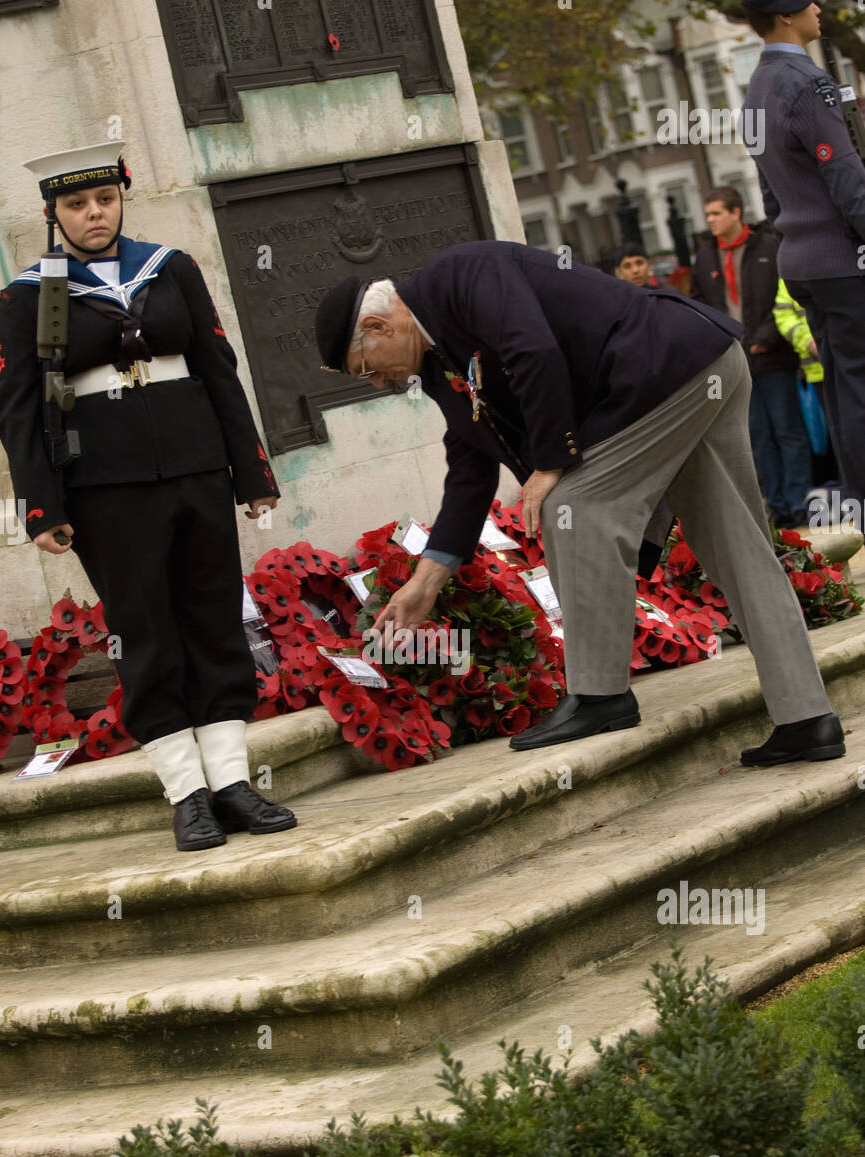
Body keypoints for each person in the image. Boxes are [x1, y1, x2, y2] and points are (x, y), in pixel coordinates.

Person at [315, 240, 844, 765]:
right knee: (738, 551)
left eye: (367, 369)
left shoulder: (458, 273)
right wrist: (425, 581)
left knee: (571, 505)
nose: (380, 382)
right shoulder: (437, 363)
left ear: (381, 327)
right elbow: (471, 469)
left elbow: (532, 350)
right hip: (693, 369)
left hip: (668, 367)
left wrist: (549, 465)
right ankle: (807, 718)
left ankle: (600, 694)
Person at [0, 142, 297, 851]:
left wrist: (252, 475)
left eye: (104, 199)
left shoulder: (172, 269)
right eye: (76, 204)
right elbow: (16, 408)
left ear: (122, 198)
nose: (94, 214)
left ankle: (231, 782)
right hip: (105, 489)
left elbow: (219, 370)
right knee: (144, 630)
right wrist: (42, 506)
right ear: (53, 213)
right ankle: (185, 793)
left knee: (215, 622)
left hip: (195, 470)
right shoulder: (31, 294)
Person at [741, 0, 865, 517]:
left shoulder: (753, 91)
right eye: (810, 1)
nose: (819, 8)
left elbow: (769, 193)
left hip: (801, 260)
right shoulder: (808, 81)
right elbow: (846, 175)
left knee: (842, 385)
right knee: (858, 383)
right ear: (787, 15)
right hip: (842, 257)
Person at [691, 185, 812, 528]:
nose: (710, 220)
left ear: (736, 212)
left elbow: (784, 296)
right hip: (733, 363)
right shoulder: (705, 256)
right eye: (708, 214)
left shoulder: (768, 246)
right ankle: (776, 507)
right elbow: (699, 305)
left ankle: (799, 501)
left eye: (716, 213)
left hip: (772, 358)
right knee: (756, 436)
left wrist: (763, 339)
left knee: (788, 431)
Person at [772, 276, 844, 510]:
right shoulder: (791, 272)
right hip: (817, 368)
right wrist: (808, 341)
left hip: (847, 362)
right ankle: (850, 489)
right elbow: (783, 315)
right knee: (838, 434)